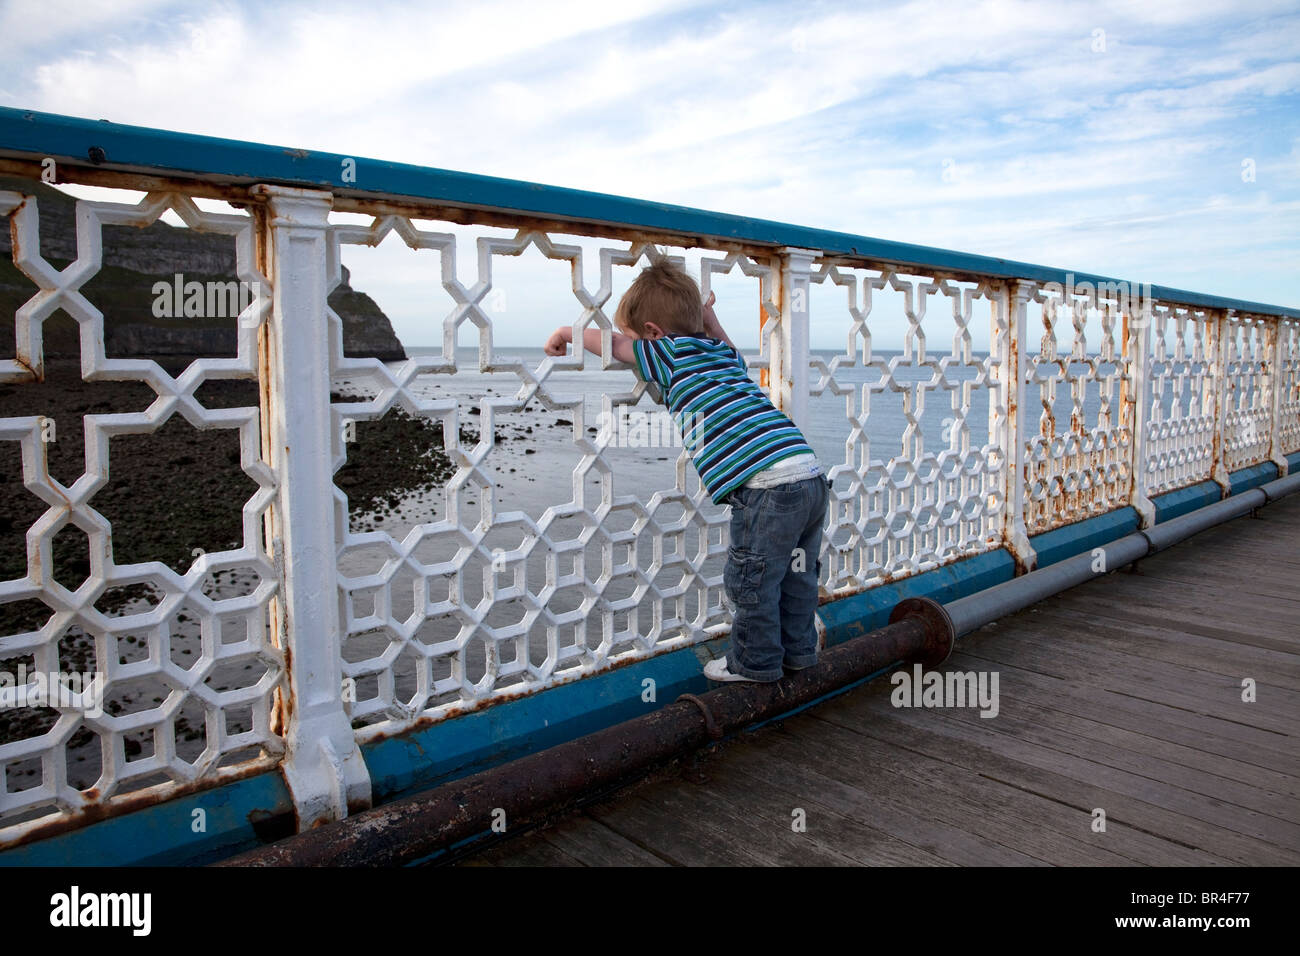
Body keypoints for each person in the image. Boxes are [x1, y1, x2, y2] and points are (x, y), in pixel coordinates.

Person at [544, 259, 829, 683]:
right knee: (798, 576)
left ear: (654, 333)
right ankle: (800, 655)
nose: (635, 343)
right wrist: (710, 318)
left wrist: (566, 332)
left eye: (638, 334)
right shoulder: (723, 354)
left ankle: (755, 665)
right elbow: (726, 341)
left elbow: (612, 345)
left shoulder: (667, 353)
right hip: (808, 474)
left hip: (765, 486)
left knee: (751, 582)